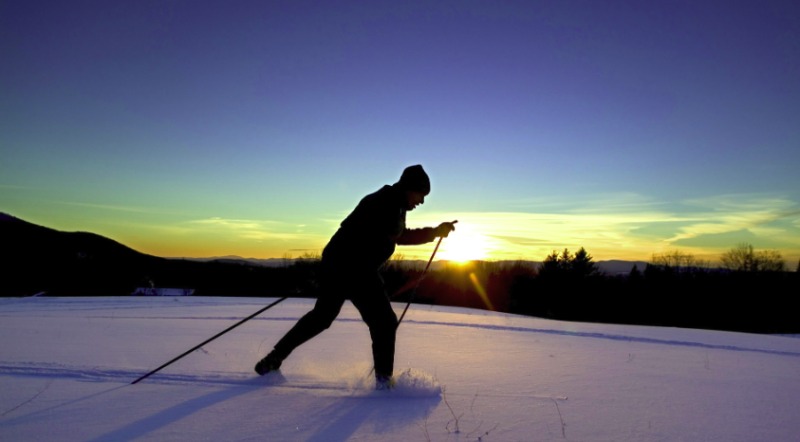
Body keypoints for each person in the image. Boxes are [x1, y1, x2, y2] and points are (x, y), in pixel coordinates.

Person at [255, 165, 456, 389]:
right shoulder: (386, 202)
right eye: (421, 195)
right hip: (353, 268)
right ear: (410, 189)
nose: (422, 201)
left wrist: (435, 231)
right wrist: (434, 232)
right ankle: (383, 383)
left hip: (345, 265)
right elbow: (399, 236)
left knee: (322, 317)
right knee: (384, 322)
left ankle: (274, 358)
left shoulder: (395, 203)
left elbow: (394, 235)